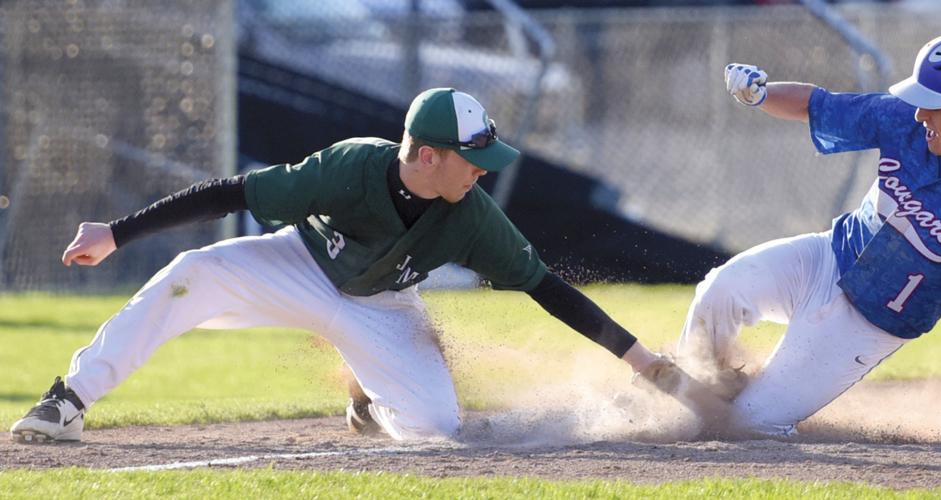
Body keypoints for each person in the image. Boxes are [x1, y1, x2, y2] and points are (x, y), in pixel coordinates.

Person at [10, 88, 685, 444]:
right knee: (193, 272)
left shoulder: (473, 213)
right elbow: (234, 194)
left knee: (437, 430)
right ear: (425, 155)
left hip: (384, 307)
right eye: (470, 157)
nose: (482, 172)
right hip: (298, 265)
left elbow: (547, 289)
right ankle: (67, 401)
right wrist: (118, 234)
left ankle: (368, 403)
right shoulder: (352, 165)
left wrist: (642, 361)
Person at [679, 33, 941, 439]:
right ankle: (688, 391)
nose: (920, 113)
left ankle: (750, 409)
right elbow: (819, 105)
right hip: (825, 258)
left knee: (751, 425)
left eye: (934, 104)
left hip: (867, 327)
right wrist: (763, 94)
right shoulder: (906, 122)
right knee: (721, 289)